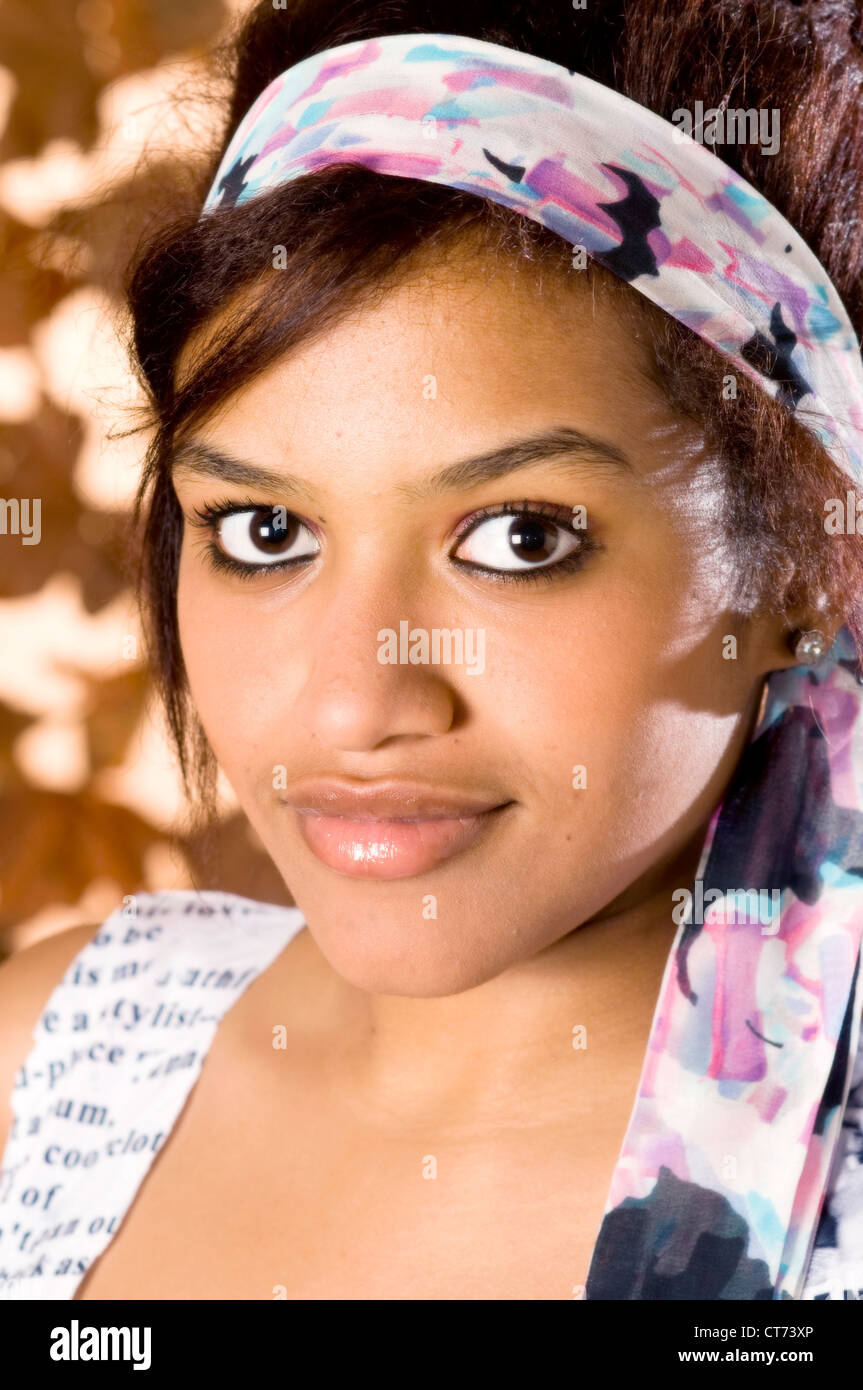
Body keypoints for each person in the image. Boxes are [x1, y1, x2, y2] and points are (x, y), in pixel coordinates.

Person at [1, 0, 862, 1301]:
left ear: (808, 553)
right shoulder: (48, 1066)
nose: (356, 697)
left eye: (520, 536)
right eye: (265, 527)